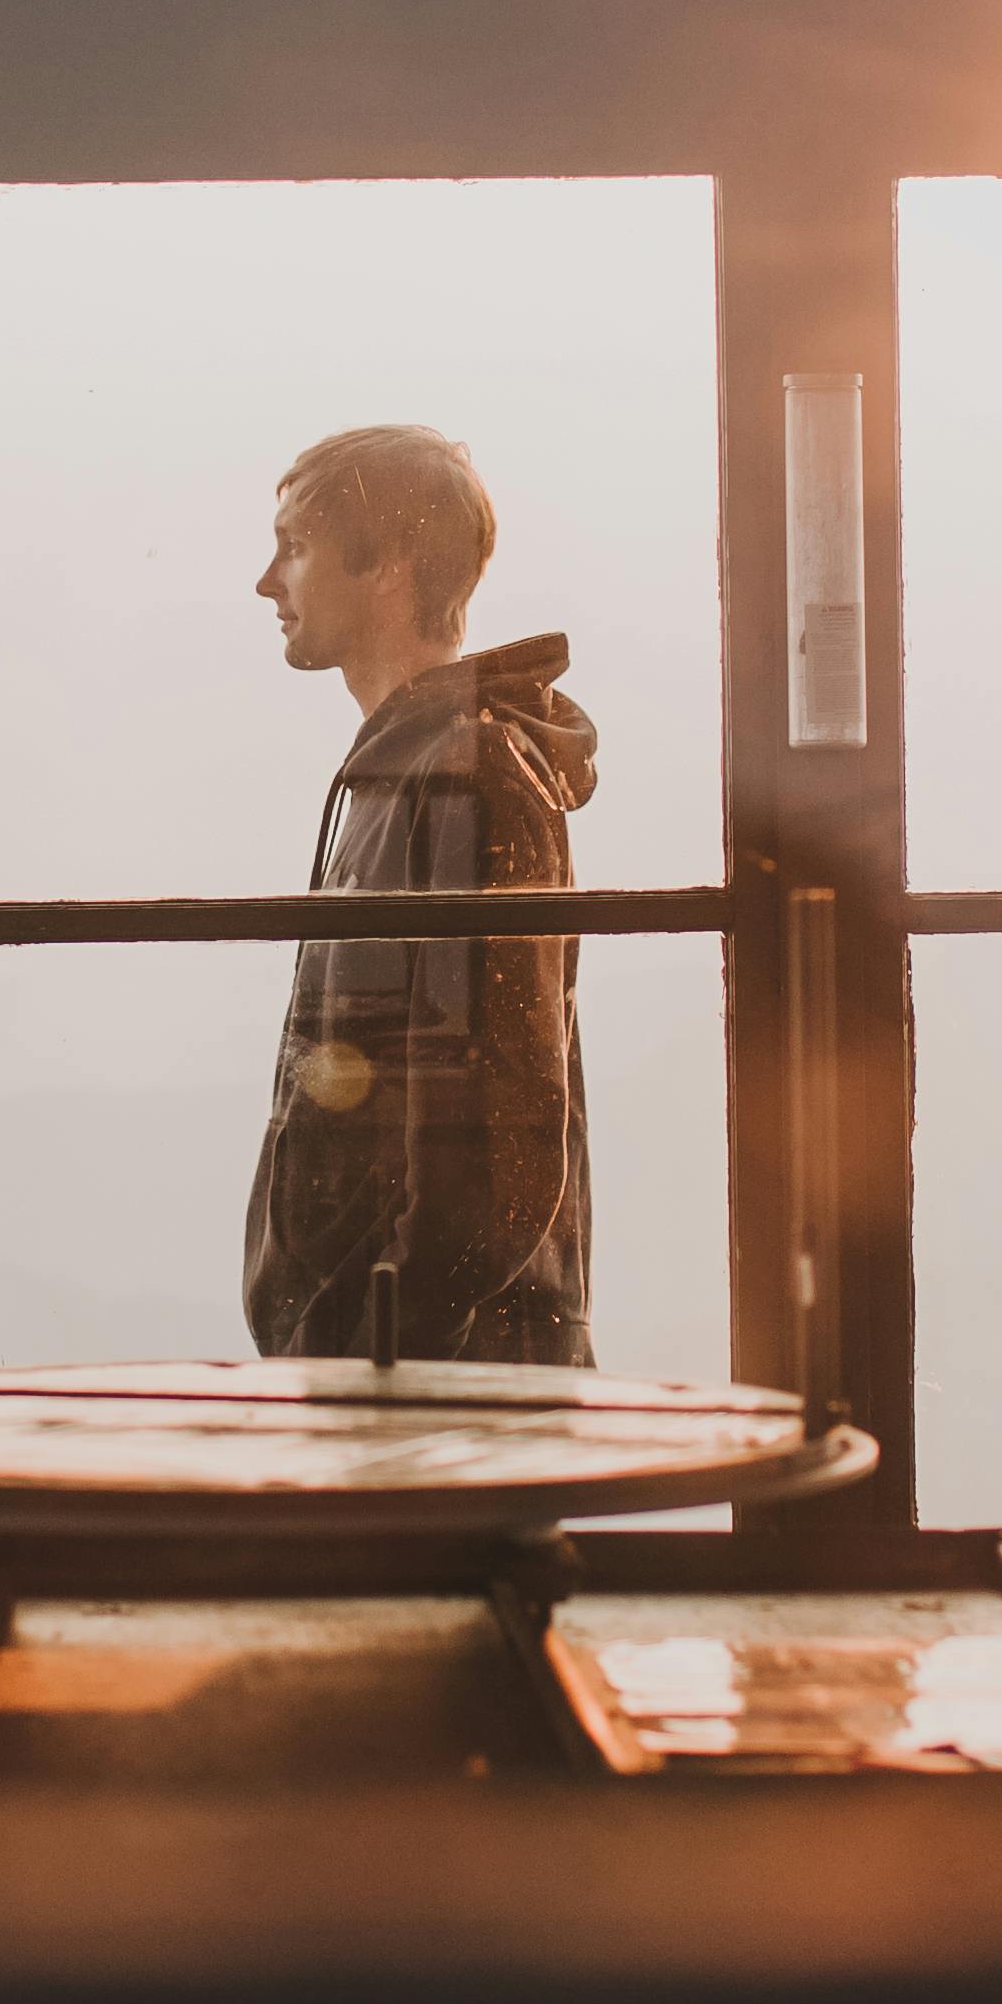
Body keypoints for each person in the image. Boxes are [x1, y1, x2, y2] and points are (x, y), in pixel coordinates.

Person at [239, 425, 596, 1365]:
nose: (268, 583)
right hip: (404, 1373)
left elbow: (499, 1146)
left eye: (296, 546)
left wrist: (382, 1356)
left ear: (388, 565)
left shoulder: (467, 778)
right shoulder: (408, 772)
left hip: (441, 1392)